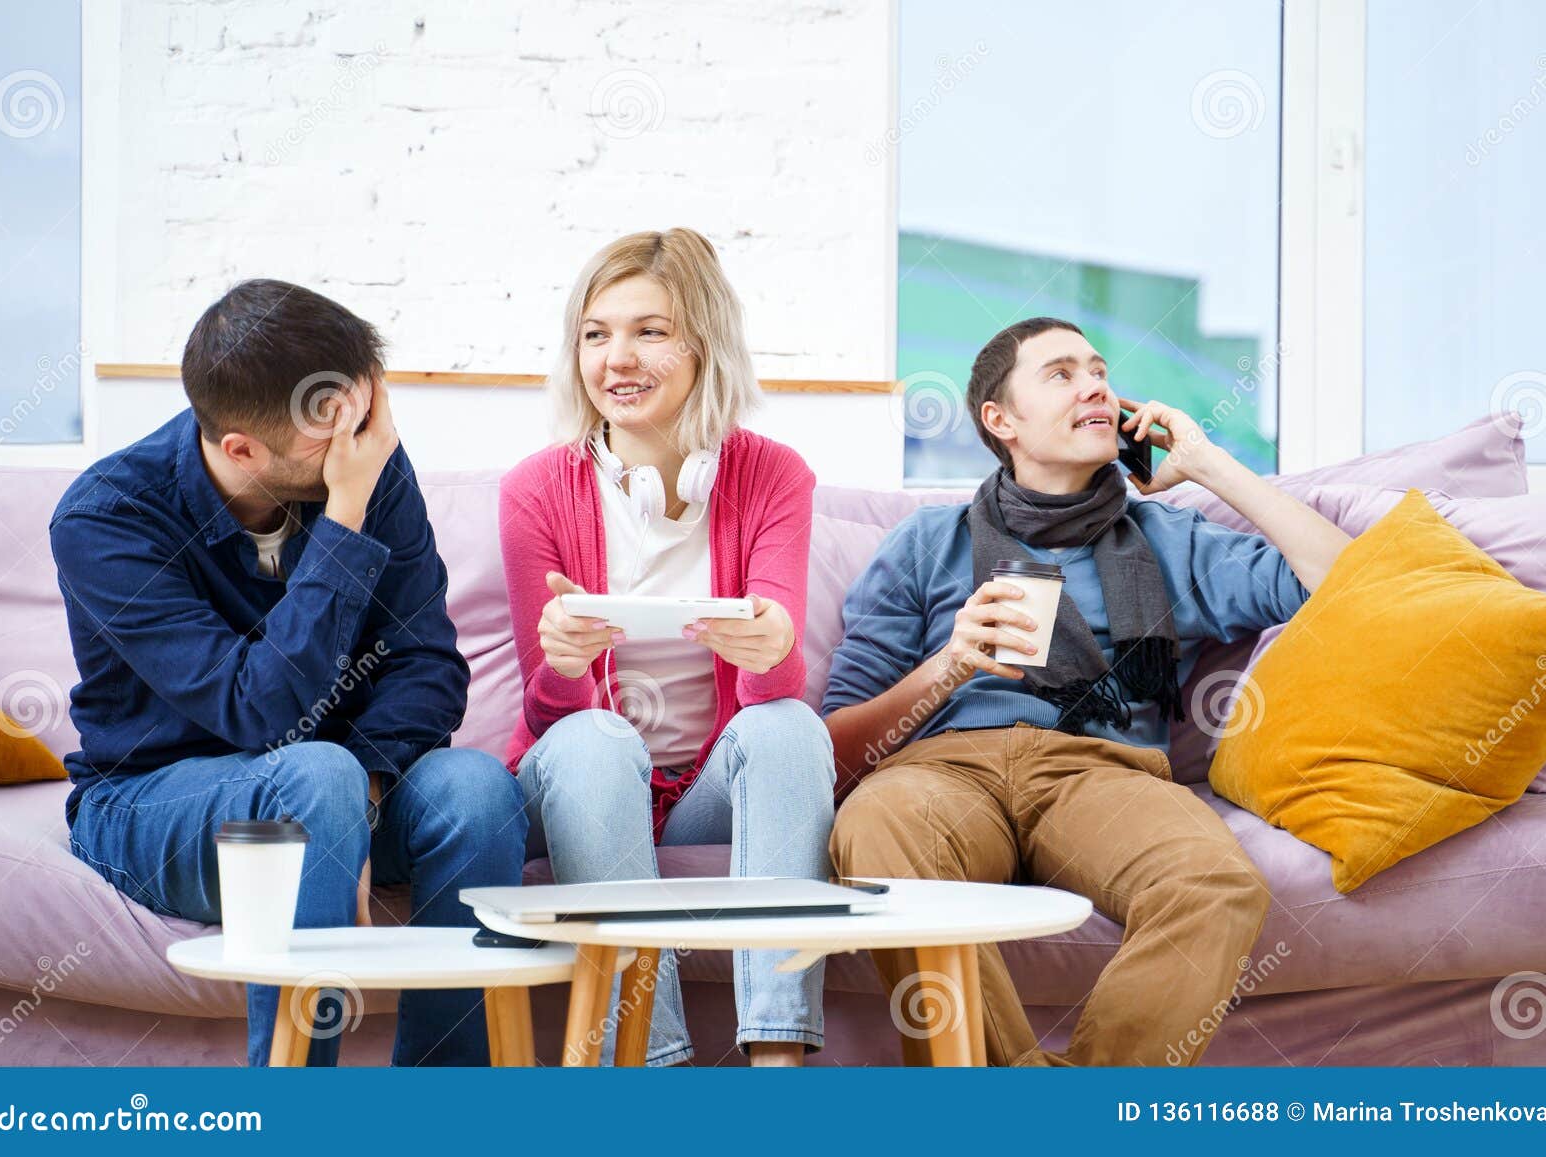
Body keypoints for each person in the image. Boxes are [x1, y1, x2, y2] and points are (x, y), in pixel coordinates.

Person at [823, 316, 1352, 1066]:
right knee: (875, 831)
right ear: (1000, 421)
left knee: (1215, 884)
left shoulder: (1168, 540)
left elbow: (1341, 582)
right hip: (943, 770)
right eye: (1062, 373)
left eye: (1099, 370)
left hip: (1100, 770)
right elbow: (839, 748)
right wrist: (951, 663)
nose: (1096, 383)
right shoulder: (926, 542)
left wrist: (1211, 467)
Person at [52, 279, 526, 1067]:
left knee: (478, 790)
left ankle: (448, 1104)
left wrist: (365, 792)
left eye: (364, 410)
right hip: (153, 802)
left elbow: (427, 661)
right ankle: (296, 1116)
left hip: (336, 789)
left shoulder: (362, 454)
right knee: (312, 774)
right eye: (332, 430)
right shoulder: (106, 518)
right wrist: (343, 517)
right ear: (241, 448)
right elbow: (255, 709)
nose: (362, 441)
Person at [499, 228, 835, 1067]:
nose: (618, 358)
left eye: (650, 330)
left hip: (697, 788)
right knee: (594, 740)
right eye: (595, 333)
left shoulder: (772, 475)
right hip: (578, 775)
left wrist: (771, 647)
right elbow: (543, 712)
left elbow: (778, 679)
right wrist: (564, 667)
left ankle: (777, 1065)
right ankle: (655, 1071)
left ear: (704, 344)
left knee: (792, 725)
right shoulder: (536, 490)